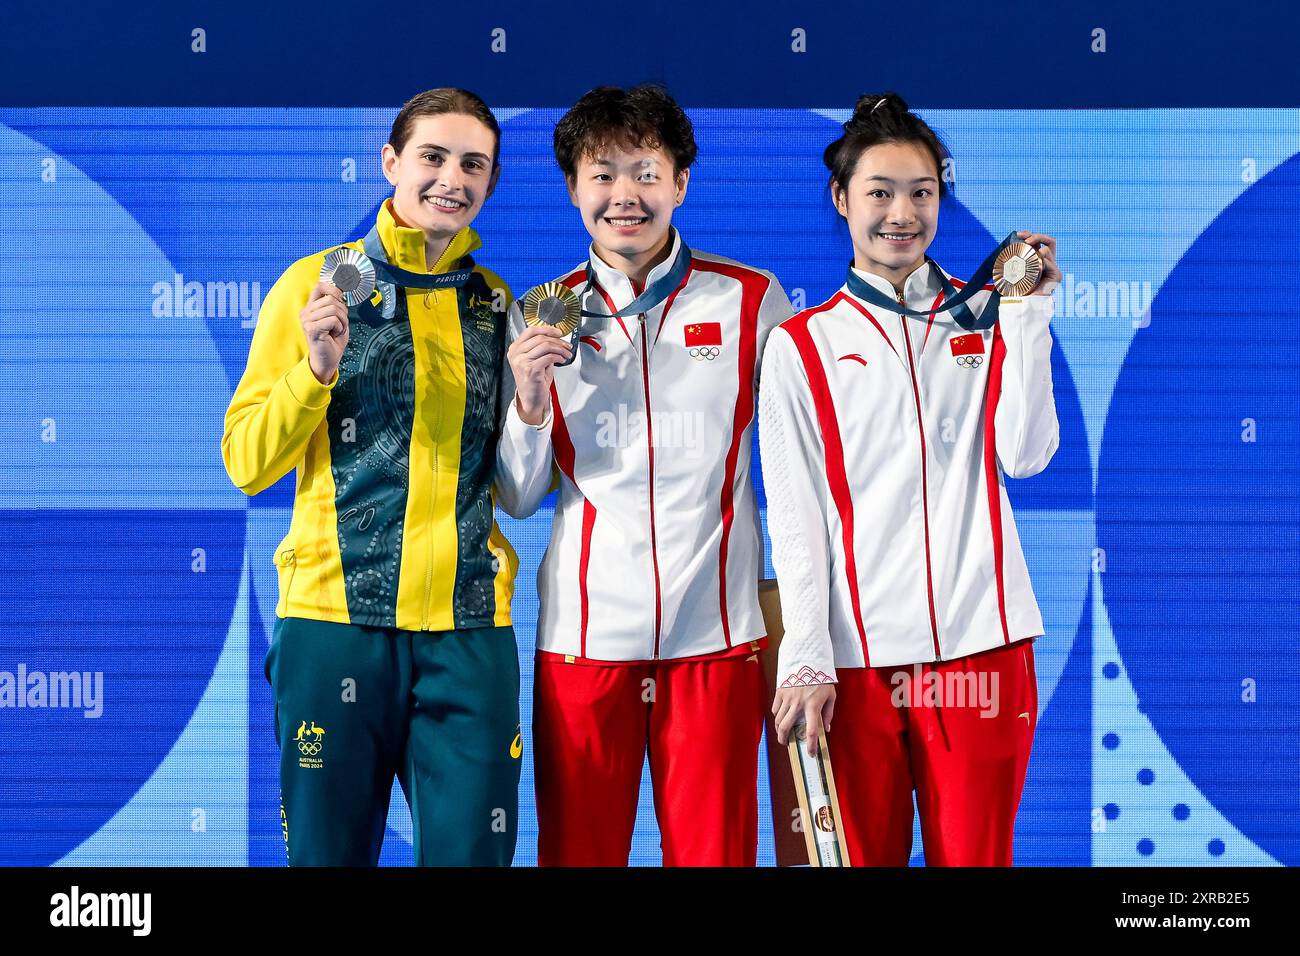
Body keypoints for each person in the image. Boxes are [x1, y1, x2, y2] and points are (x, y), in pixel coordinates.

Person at [222, 88, 523, 866]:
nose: (450, 178)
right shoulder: (311, 285)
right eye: (431, 156)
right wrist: (315, 372)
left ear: (489, 181)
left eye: (473, 163)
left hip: (467, 639)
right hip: (332, 631)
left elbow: (522, 483)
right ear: (390, 162)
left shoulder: (499, 308)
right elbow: (248, 463)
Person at [496, 84, 793, 866]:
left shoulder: (752, 299)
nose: (624, 194)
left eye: (646, 171)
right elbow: (521, 498)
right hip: (585, 644)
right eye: (602, 174)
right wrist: (528, 401)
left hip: (718, 643)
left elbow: (804, 464)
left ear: (681, 182)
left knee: (715, 857)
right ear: (572, 189)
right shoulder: (538, 313)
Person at [762, 92, 1061, 866]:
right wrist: (806, 652)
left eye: (921, 193)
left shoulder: (983, 317)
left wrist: (1026, 317)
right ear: (842, 199)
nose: (902, 213)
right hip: (860, 666)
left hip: (983, 651)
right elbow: (795, 517)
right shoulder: (802, 345)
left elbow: (1025, 455)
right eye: (880, 193)